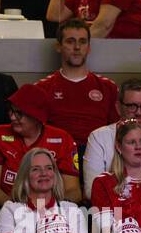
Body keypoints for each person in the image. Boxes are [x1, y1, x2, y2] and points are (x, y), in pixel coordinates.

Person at [0, 85, 81, 212]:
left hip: (51, 212)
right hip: (6, 207)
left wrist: (50, 211)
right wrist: (15, 209)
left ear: (37, 117)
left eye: (19, 113)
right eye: (11, 110)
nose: (12, 117)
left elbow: (74, 191)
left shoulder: (63, 139)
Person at [35, 18, 119, 150]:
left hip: (98, 155)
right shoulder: (42, 88)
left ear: (89, 47)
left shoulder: (108, 87)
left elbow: (118, 131)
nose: (77, 47)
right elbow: (34, 135)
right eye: (70, 41)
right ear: (58, 46)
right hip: (57, 156)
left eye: (82, 42)